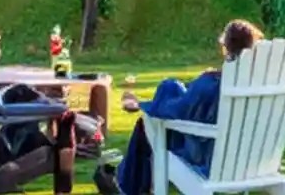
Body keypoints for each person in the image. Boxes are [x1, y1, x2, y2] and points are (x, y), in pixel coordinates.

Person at [94, 20, 264, 195]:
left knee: (154, 116)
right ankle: (130, 185)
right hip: (245, 159)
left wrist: (141, 105)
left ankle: (127, 186)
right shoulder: (259, 85)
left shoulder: (212, 83)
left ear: (225, 47)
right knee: (170, 89)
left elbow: (176, 110)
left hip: (206, 157)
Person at [0, 24, 77, 194]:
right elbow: (2, 109)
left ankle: (47, 106)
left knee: (19, 91)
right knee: (54, 151)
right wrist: (49, 108)